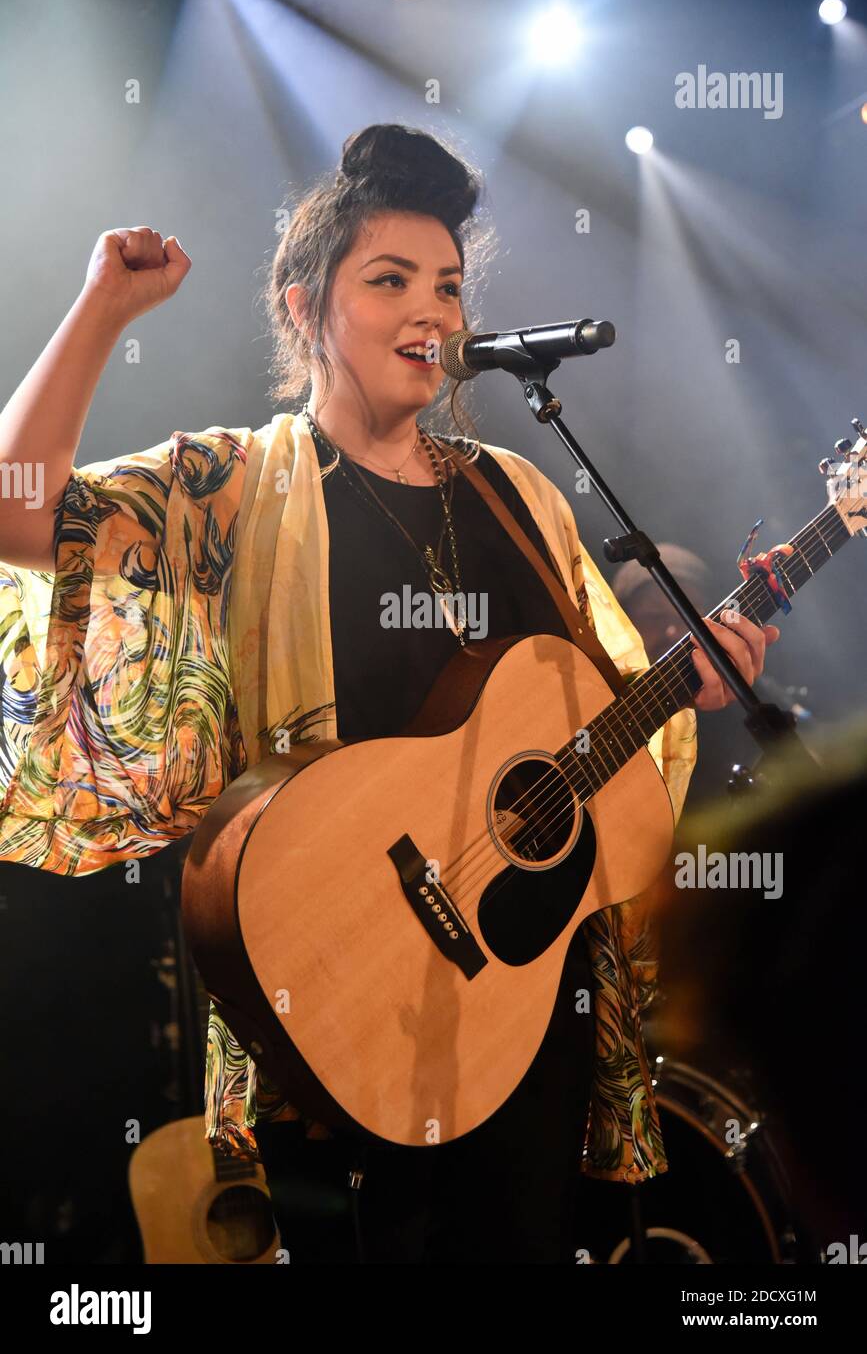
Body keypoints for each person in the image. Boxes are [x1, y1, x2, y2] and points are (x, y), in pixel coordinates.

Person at [0, 123, 778, 1263]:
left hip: (517, 1007)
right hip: (328, 1006)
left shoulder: (519, 496)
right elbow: (18, 511)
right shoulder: (235, 485)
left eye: (451, 286)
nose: (434, 310)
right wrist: (103, 312)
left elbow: (597, 723)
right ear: (305, 303)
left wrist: (685, 679)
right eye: (391, 279)